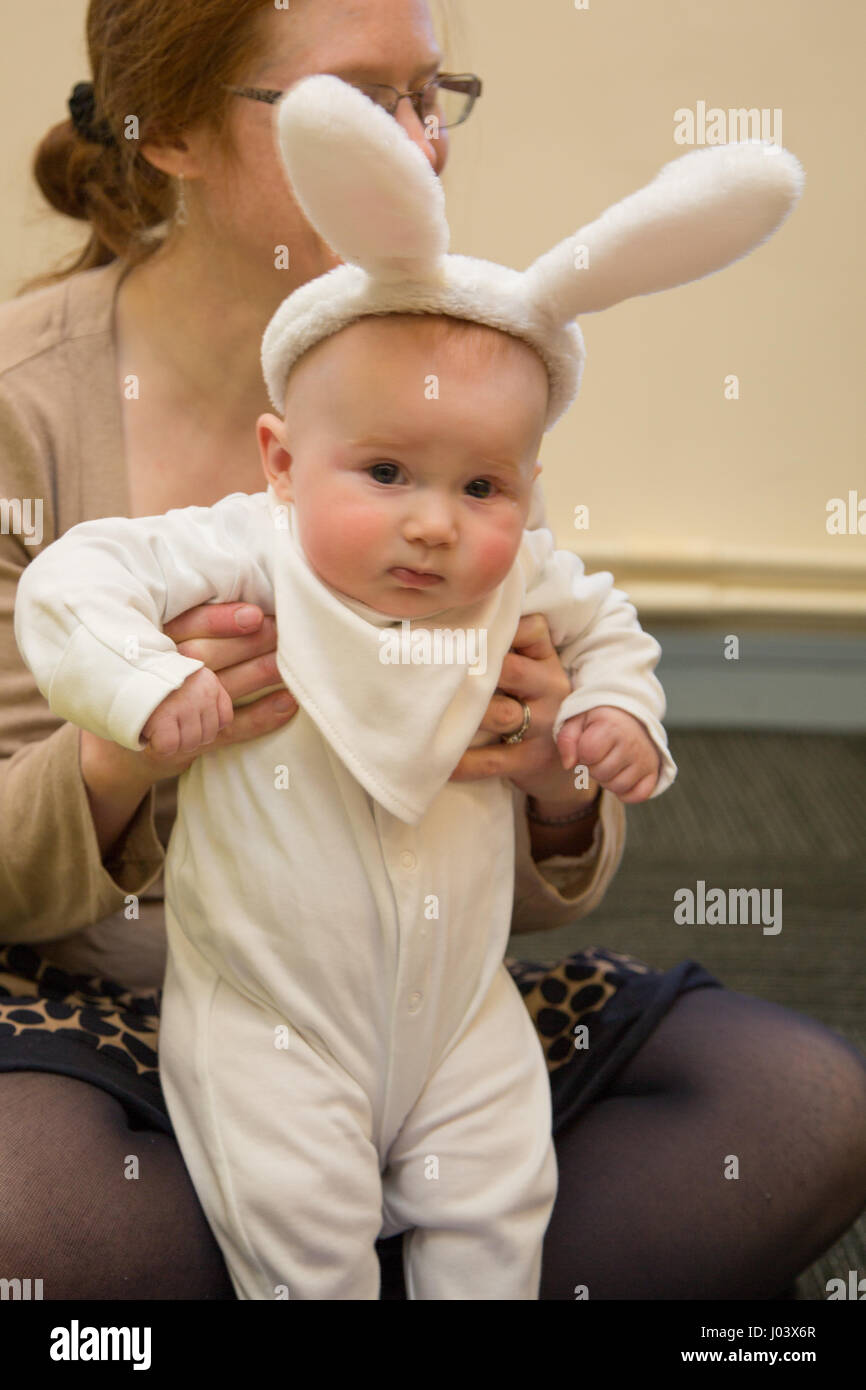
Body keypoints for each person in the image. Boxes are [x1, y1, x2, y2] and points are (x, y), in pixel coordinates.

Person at [1, 0, 865, 1301]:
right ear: (169, 131)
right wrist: (130, 735)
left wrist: (554, 774)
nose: (420, 150)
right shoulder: (27, 408)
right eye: (362, 105)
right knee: (41, 1220)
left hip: (410, 1003)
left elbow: (526, 861)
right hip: (96, 1014)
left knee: (799, 1107)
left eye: (433, 95)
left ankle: (366, 1245)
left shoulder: (457, 364)